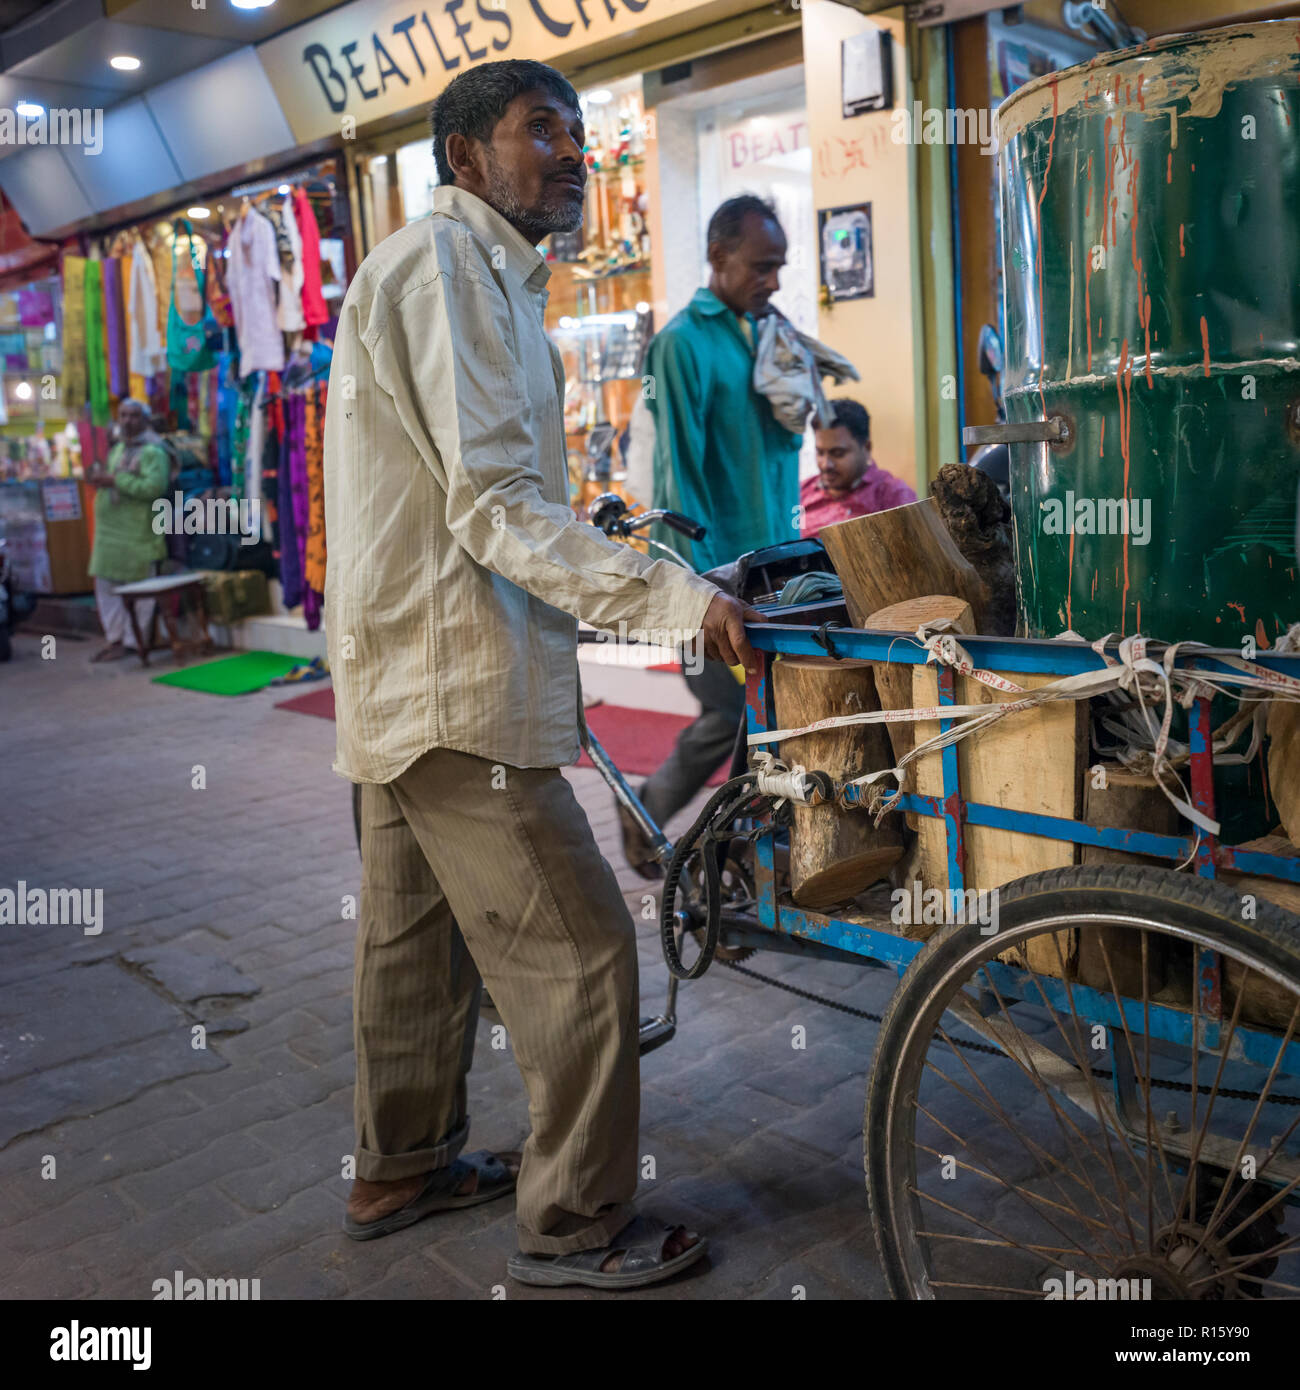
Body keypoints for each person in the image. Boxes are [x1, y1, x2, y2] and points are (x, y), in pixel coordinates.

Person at [324, 58, 762, 1290]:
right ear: (466, 158)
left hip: (406, 675)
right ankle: (572, 1219)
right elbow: (500, 508)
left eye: (576, 132)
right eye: (540, 132)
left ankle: (395, 1167)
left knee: (413, 947)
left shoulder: (484, 276)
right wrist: (678, 600)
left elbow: (484, 494)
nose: (570, 153)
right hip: (453, 681)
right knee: (579, 955)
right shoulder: (450, 270)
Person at [621, 195, 800, 875]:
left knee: (772, 722)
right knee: (729, 715)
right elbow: (677, 476)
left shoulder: (768, 334)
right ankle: (650, 810)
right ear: (719, 258)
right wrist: (691, 591)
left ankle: (738, 863)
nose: (774, 281)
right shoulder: (681, 343)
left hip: (775, 570)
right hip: (713, 579)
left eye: (780, 267)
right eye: (762, 266)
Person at [85, 398, 168, 661]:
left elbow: (154, 489)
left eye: (133, 415)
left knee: (141, 589)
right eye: (122, 415)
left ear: (145, 419)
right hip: (109, 534)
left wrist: (115, 480)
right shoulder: (118, 449)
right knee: (105, 586)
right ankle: (116, 639)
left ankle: (135, 642)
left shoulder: (155, 451)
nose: (127, 421)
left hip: (139, 532)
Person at [798, 399, 916, 538]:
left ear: (866, 448)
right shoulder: (802, 494)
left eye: (838, 453)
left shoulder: (891, 496)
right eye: (820, 452)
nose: (825, 464)